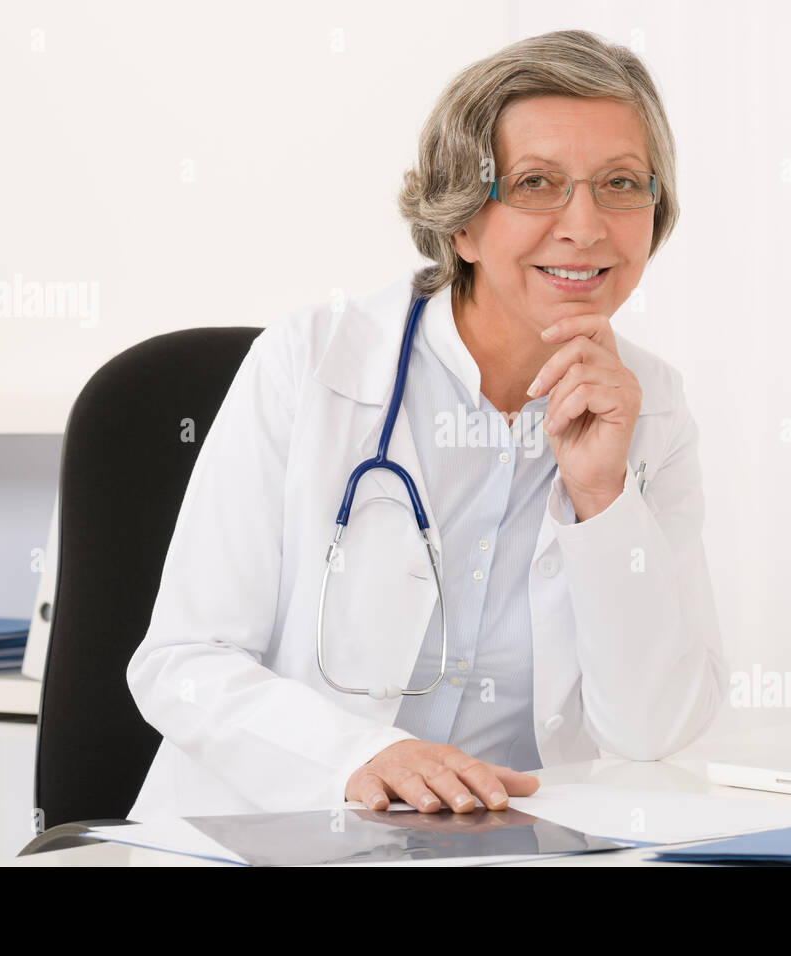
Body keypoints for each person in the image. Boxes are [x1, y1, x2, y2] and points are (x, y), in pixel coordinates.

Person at [125, 29, 727, 821]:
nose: (586, 226)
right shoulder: (310, 365)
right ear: (462, 224)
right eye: (537, 183)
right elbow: (182, 664)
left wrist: (602, 497)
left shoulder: (653, 409)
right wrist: (360, 756)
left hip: (500, 843)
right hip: (270, 832)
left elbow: (653, 731)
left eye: (620, 183)